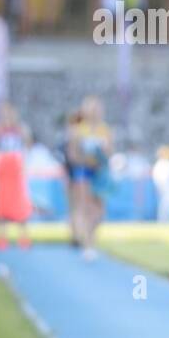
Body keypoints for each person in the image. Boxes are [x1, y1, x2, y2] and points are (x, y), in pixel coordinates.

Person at [66, 96, 113, 261]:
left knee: (99, 211)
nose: (95, 112)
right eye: (92, 109)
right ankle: (87, 244)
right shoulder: (78, 130)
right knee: (84, 208)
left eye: (97, 109)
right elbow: (72, 154)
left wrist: (101, 157)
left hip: (99, 172)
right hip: (83, 171)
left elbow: (109, 153)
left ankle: (90, 236)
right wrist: (85, 161)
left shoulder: (105, 130)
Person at [0, 101, 33, 249]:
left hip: (16, 170)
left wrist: (25, 165)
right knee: (1, 203)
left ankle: (23, 236)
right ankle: (2, 236)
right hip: (2, 170)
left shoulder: (21, 129)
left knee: (20, 202)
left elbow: (28, 147)